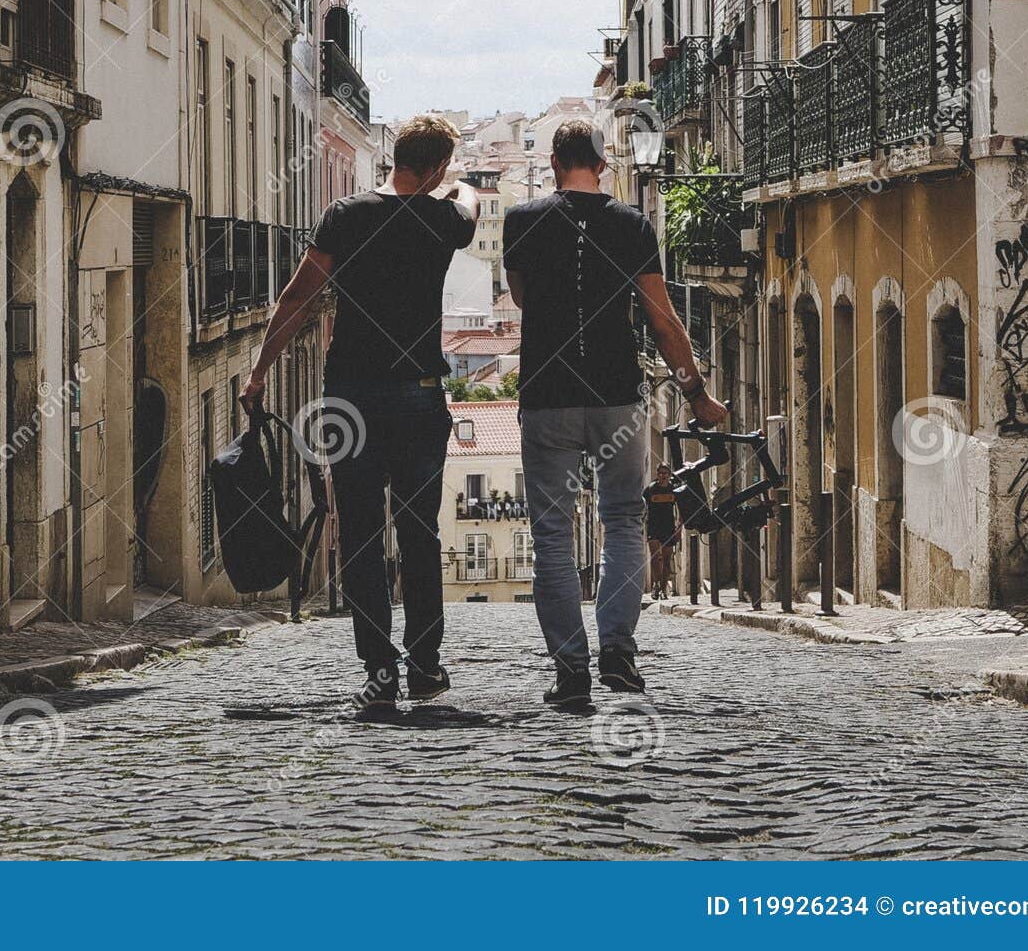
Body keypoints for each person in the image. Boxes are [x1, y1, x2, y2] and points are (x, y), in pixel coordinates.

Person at [241, 116, 477, 713]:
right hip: (419, 393)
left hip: (350, 395)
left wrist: (260, 371)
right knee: (419, 533)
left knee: (360, 534)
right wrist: (457, 185)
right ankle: (425, 666)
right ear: (437, 169)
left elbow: (298, 297)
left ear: (394, 159)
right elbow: (470, 205)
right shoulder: (443, 218)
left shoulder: (345, 215)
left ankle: (379, 670)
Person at [504, 120, 727, 705]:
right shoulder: (632, 225)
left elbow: (523, 298)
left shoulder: (521, 221)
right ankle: (619, 653)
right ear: (603, 166)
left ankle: (571, 672)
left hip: (548, 395)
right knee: (624, 520)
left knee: (552, 533)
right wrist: (697, 394)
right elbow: (663, 320)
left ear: (555, 162)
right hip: (618, 397)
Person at [643, 464, 679, 599]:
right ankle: (656, 584)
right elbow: (642, 507)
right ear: (657, 474)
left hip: (668, 526)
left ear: (669, 475)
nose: (663, 476)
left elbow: (680, 508)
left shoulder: (674, 490)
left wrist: (679, 527)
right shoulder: (650, 490)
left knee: (667, 559)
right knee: (654, 557)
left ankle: (664, 589)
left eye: (665, 473)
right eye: (660, 473)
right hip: (653, 526)